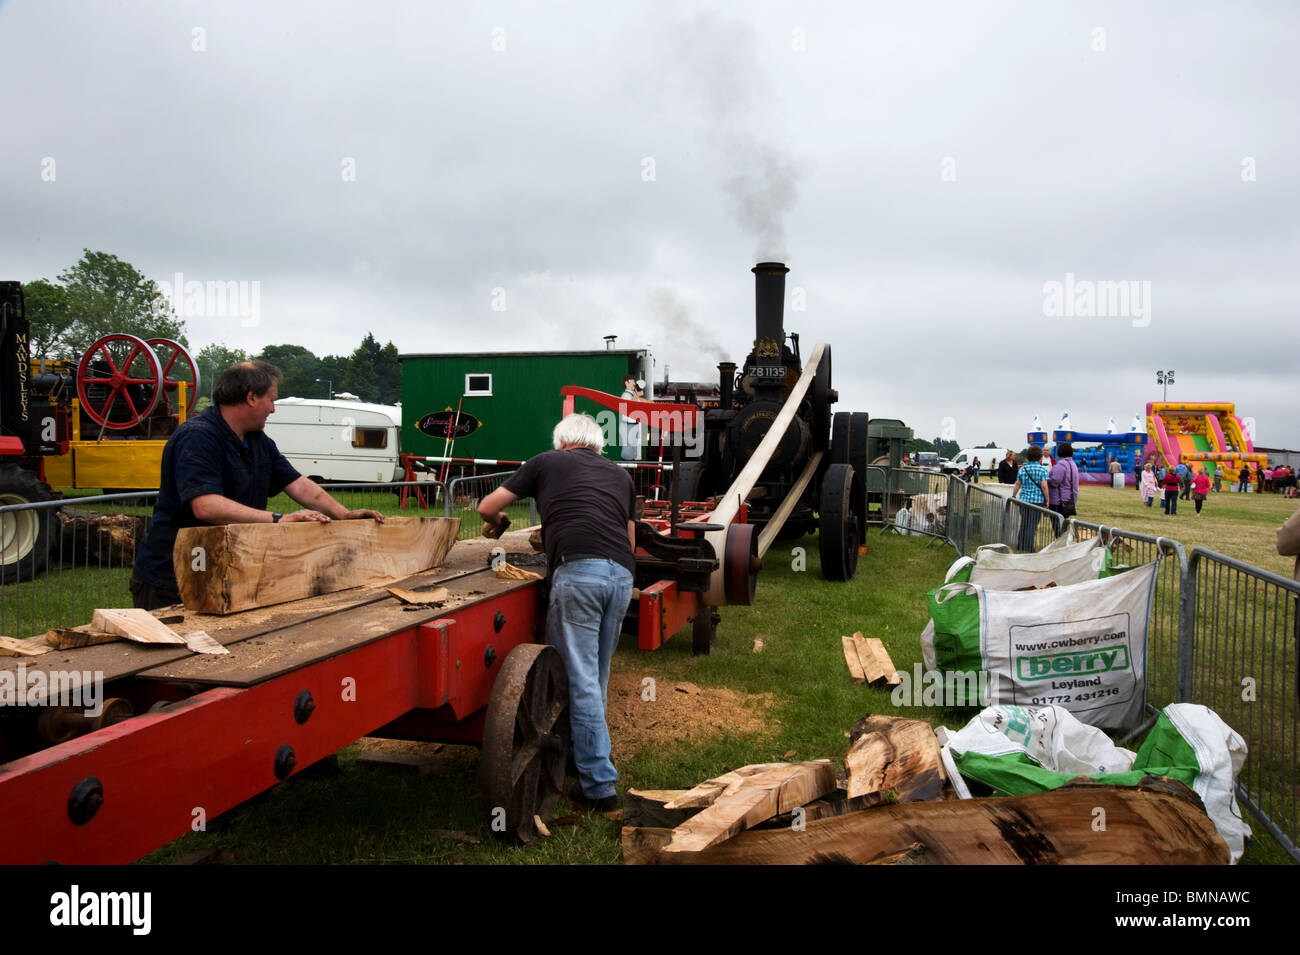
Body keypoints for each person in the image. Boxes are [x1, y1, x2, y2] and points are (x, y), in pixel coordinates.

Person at [130, 361, 385, 610]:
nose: (273, 409)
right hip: (174, 579)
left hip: (228, 572)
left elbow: (298, 484)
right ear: (252, 398)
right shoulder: (197, 437)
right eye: (271, 400)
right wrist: (278, 519)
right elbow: (206, 506)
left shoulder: (257, 441)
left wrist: (343, 514)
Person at [477, 413, 635, 813]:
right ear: (597, 444)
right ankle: (577, 757)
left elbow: (486, 507)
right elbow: (630, 538)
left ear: (562, 443)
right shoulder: (620, 475)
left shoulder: (546, 462)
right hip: (621, 576)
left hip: (579, 573)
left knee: (580, 679)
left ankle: (599, 786)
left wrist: (498, 523)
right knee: (595, 676)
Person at [1010, 446, 1050, 551]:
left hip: (1024, 500)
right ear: (1040, 457)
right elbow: (1044, 486)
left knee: (1024, 523)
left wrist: (1014, 496)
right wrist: (1047, 499)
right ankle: (1029, 546)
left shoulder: (1023, 469)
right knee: (1032, 525)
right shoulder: (1043, 470)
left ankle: (1021, 544)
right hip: (1037, 501)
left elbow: (1017, 484)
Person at [1047, 442, 1080, 519]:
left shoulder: (1061, 465)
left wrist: (1046, 480)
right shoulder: (1073, 464)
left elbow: (1055, 481)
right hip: (1070, 499)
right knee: (1063, 524)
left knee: (1057, 525)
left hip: (1058, 500)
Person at [618, 375, 643, 461]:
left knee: (632, 447)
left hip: (633, 423)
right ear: (626, 383)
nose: (634, 384)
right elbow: (629, 408)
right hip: (629, 424)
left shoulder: (631, 394)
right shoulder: (625, 395)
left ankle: (631, 465)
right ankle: (627, 465)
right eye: (632, 382)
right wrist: (637, 395)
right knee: (629, 448)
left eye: (634, 382)